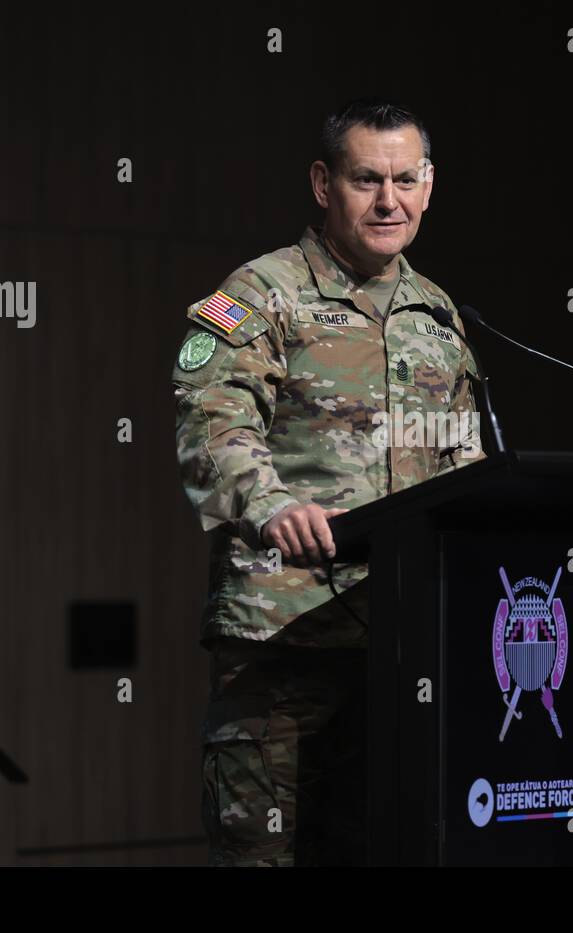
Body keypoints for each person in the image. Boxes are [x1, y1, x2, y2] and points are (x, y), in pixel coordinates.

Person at [171, 97, 485, 865]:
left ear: (430, 184)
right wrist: (271, 505)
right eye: (366, 179)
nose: (389, 201)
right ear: (323, 183)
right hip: (286, 642)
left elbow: (464, 461)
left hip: (405, 649)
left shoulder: (437, 313)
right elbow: (210, 429)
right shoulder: (257, 294)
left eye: (406, 180)